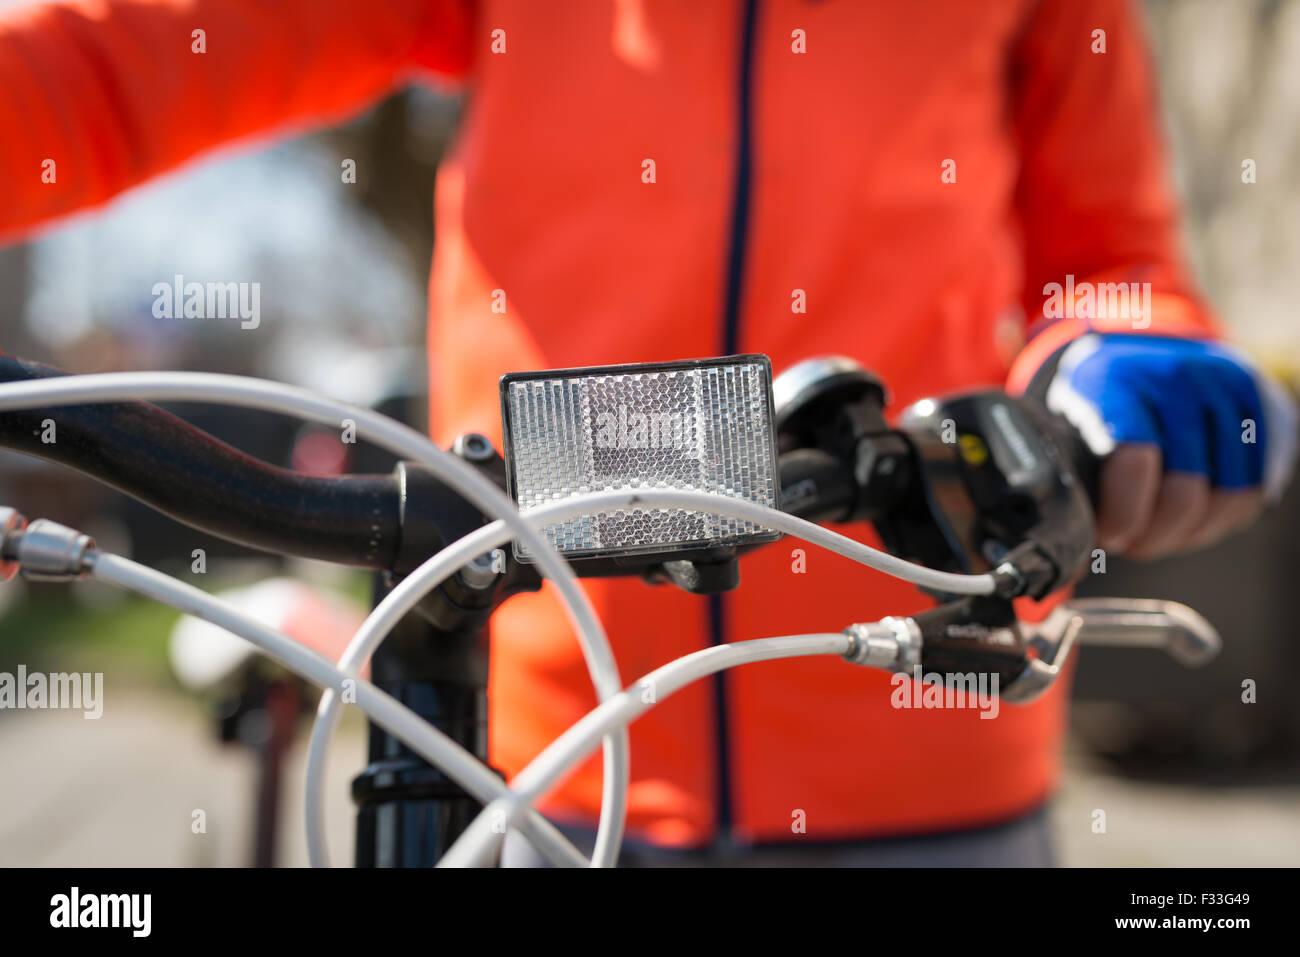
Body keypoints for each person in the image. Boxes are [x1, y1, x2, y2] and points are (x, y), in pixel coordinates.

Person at [2, 0, 1294, 865]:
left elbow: (1111, 255)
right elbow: (120, 61)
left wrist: (1127, 348)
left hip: (924, 749)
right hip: (532, 733)